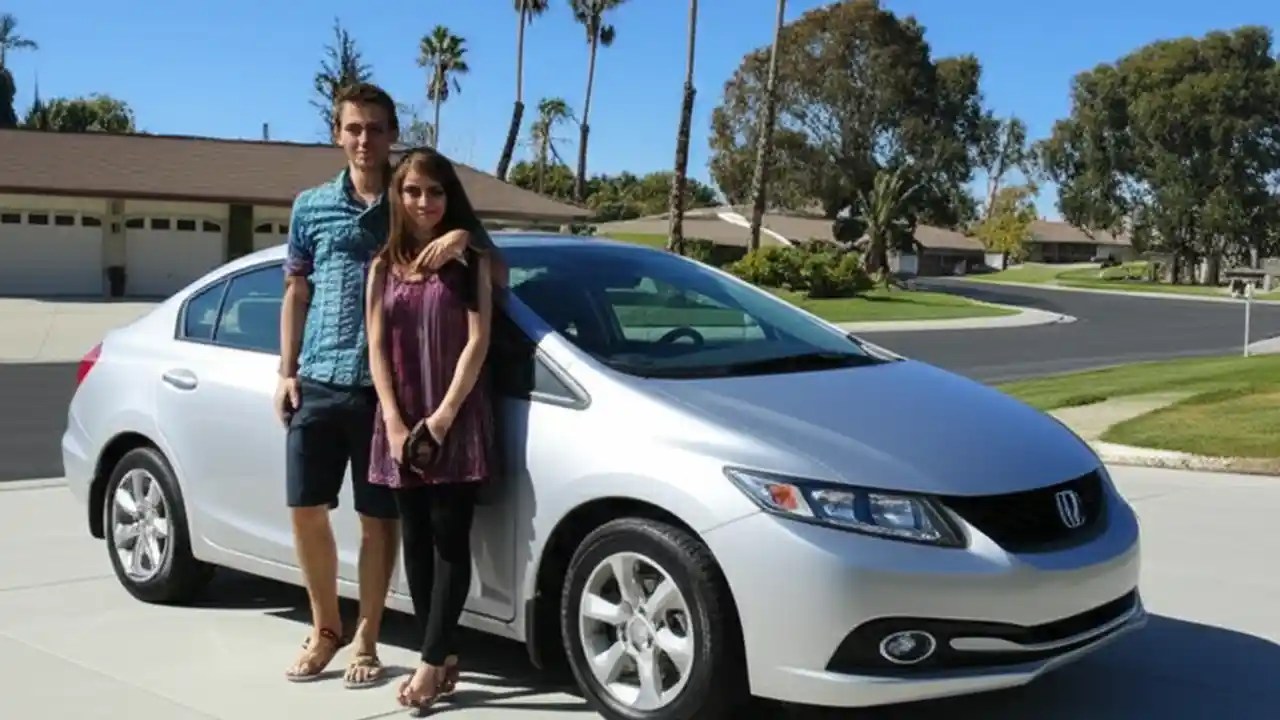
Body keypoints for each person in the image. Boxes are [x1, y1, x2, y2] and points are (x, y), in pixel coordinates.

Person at [275, 83, 476, 688]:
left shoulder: (410, 199)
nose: (365, 140)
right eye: (354, 128)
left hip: (384, 392)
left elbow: (474, 246)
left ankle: (367, 635)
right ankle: (324, 628)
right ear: (337, 133)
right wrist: (286, 369)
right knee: (306, 509)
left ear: (393, 133)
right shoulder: (310, 206)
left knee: (377, 522)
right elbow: (296, 288)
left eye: (377, 128)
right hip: (317, 379)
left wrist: (464, 237)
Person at [364, 147, 497, 711]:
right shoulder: (381, 265)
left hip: (454, 415)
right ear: (398, 195)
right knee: (414, 541)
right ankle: (438, 655)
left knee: (449, 539)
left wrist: (441, 419)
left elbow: (479, 339)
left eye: (436, 192)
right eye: (413, 191)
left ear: (450, 197)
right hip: (399, 417)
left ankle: (427, 665)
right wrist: (395, 421)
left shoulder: (470, 262)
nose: (424, 202)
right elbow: (375, 347)